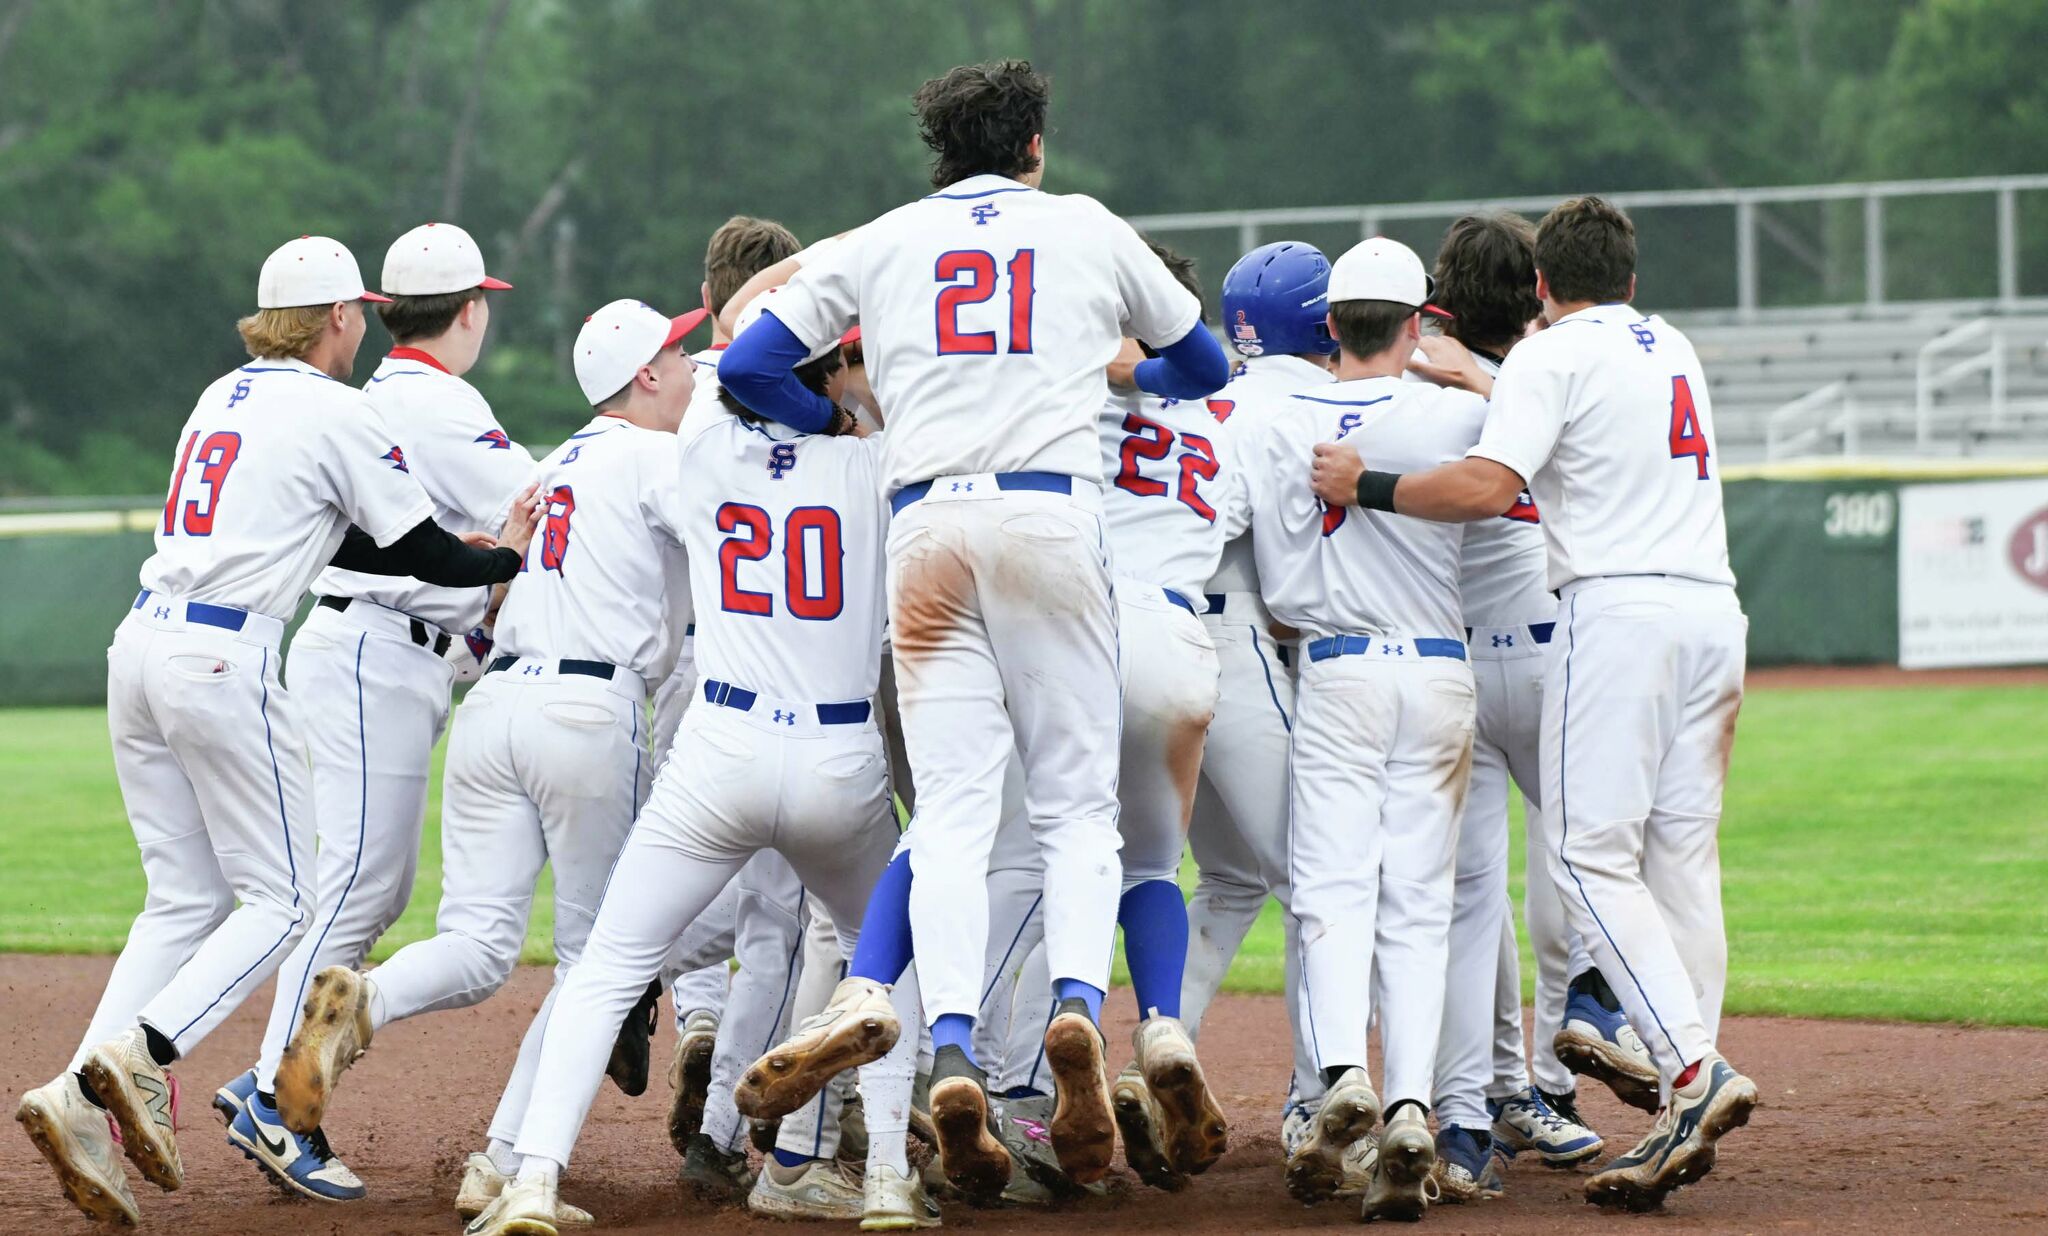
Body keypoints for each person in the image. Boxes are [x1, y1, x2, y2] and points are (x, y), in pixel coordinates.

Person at [719, 59, 1228, 1193]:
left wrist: (831, 419)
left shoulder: (884, 237)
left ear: (937, 150)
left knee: (949, 811)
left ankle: (949, 1048)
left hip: (925, 523)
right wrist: (1117, 356)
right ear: (1033, 144)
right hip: (1048, 514)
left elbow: (749, 360)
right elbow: (1204, 365)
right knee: (1075, 807)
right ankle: (1074, 1009)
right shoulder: (1085, 224)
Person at [14, 236, 533, 1227]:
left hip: (139, 644)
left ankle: (81, 1099)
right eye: (355, 311)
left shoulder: (224, 394)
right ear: (340, 316)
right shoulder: (335, 408)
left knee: (182, 899)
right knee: (285, 898)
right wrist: (499, 557)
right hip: (222, 656)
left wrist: (454, 554)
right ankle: (140, 1057)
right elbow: (418, 546)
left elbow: (331, 535)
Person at [1310, 195, 1759, 1212]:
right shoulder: (1669, 345)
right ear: (1629, 279)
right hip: (1711, 609)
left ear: (1547, 286)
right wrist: (1487, 377)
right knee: (1680, 861)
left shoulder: (1548, 357)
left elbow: (1483, 484)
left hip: (1612, 613)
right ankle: (1675, 1083)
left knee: (1585, 857)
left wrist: (1364, 484)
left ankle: (1689, 1070)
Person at [464, 299, 932, 1236]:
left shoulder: (705, 448)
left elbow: (733, 370)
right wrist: (850, 397)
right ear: (832, 382)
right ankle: (885, 1175)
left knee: (605, 968)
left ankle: (533, 1179)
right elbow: (859, 405)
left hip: (720, 750)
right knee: (885, 963)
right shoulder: (879, 461)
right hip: (840, 758)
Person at [274, 298, 702, 1227]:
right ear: (645, 376)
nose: (692, 366)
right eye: (680, 354)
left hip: (493, 704)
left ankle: (369, 997)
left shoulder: (554, 465)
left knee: (476, 944)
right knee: (597, 965)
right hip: (588, 709)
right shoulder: (658, 457)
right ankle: (514, 1167)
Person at [214, 221, 537, 1202]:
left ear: (389, 311)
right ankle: (274, 1096)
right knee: (356, 884)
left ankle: (268, 1084)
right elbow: (547, 499)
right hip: (375, 652)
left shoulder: (384, 393)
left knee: (367, 887)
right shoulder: (434, 401)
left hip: (384, 653)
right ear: (471, 310)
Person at [1239, 237, 1483, 1222]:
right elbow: (1535, 451)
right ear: (1416, 323)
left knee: (1331, 891)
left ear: (1332, 324)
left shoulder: (1269, 418)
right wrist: (1469, 371)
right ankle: (1413, 1104)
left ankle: (1343, 1072)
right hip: (1439, 667)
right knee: (1418, 904)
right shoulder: (1454, 413)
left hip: (1334, 667)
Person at [1409, 211, 1603, 1199]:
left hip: (1452, 662)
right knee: (1587, 869)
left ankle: (1471, 1116)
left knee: (1470, 900)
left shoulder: (1419, 378)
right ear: (1533, 292)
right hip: (1550, 656)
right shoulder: (1551, 370)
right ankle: (1551, 1074)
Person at [1178, 240, 1336, 1147]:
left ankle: (1156, 1056)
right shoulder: (1306, 409)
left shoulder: (1206, 397)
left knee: (1226, 877)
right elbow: (1292, 583)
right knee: (1312, 880)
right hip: (1234, 642)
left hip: (1142, 637)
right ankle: (1316, 1100)